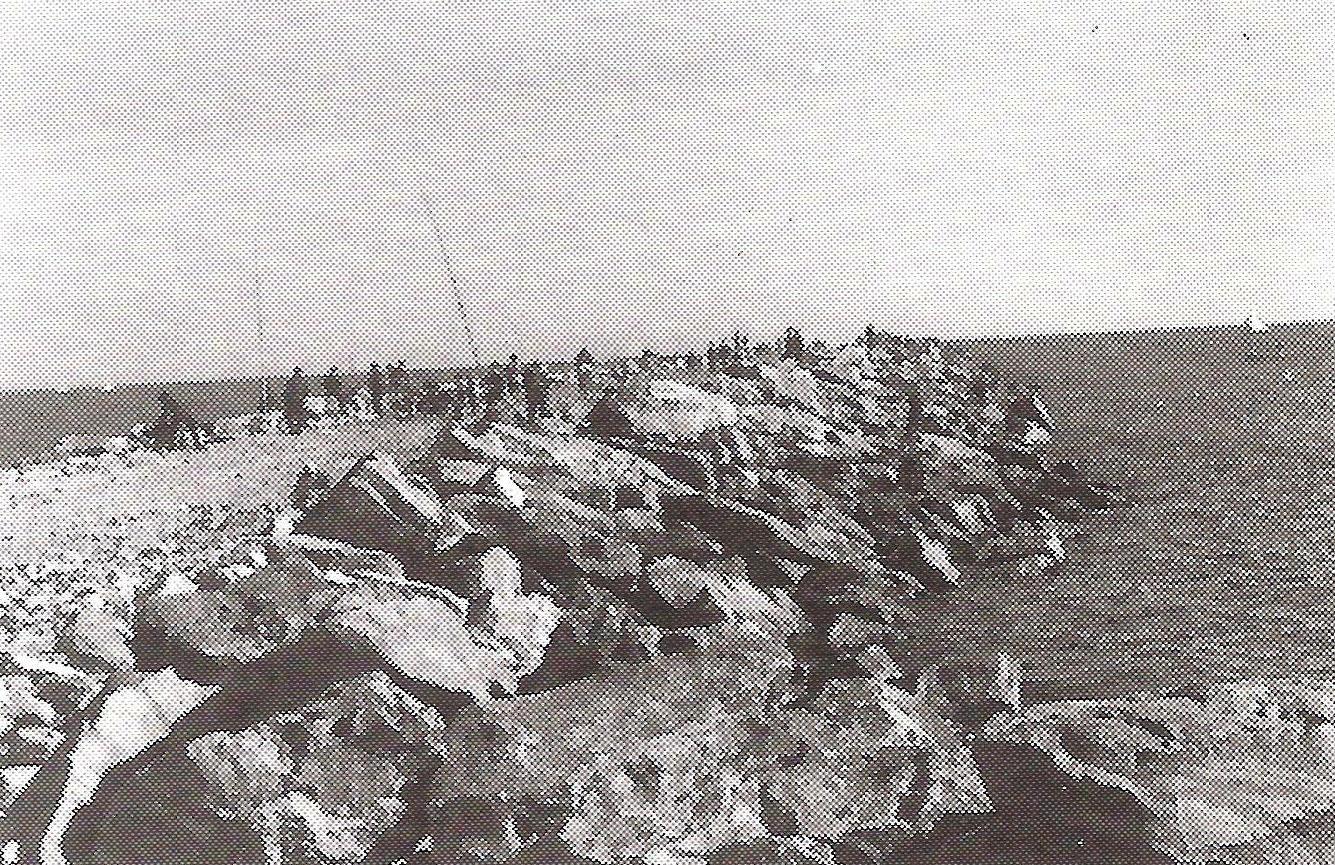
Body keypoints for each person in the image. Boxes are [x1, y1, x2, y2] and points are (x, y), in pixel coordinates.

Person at [282, 367, 309, 433]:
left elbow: (285, 391)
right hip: (298, 401)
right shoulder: (301, 381)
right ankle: (298, 427)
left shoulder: (290, 381)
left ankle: (293, 427)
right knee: (300, 414)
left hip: (291, 401)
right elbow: (306, 390)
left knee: (290, 414)